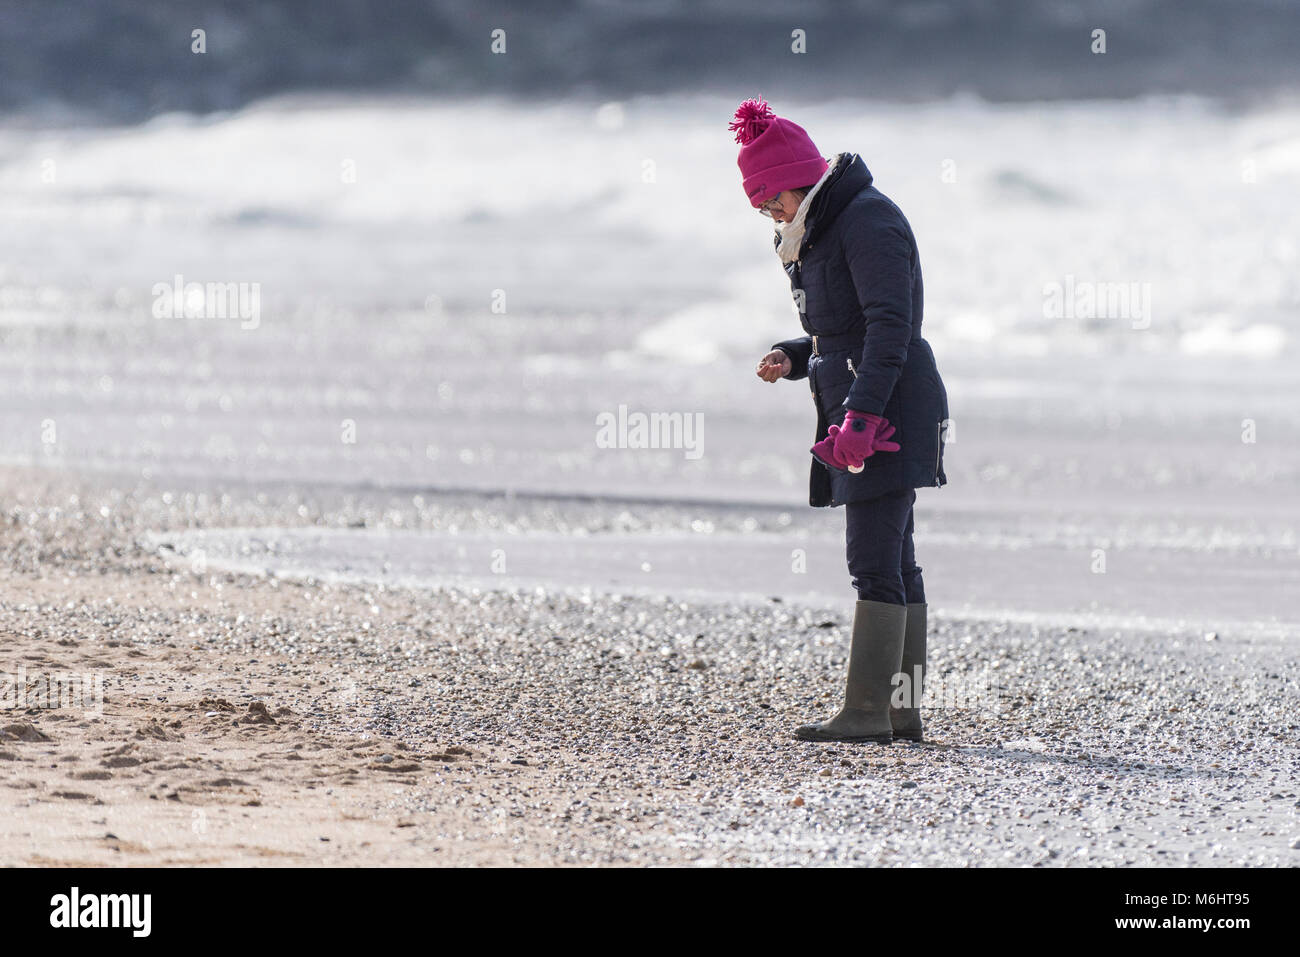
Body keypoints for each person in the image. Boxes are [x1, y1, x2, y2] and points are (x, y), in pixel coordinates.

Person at [732, 97, 950, 744]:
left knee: (873, 557)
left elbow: (891, 327)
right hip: (864, 400)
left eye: (773, 202)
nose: (770, 215)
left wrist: (860, 414)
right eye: (761, 208)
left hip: (885, 406)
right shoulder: (822, 229)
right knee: (896, 558)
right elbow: (842, 330)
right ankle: (899, 710)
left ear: (802, 180)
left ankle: (866, 712)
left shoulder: (866, 220)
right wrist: (794, 355)